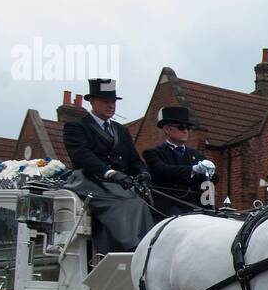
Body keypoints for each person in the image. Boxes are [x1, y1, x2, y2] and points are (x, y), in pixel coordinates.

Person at [61, 78, 154, 255]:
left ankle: (146, 245)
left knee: (143, 202)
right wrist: (110, 173)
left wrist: (143, 172)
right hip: (89, 179)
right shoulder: (76, 127)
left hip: (119, 182)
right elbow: (82, 156)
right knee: (126, 204)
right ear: (92, 101)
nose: (111, 106)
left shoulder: (121, 130)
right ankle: (130, 248)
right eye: (106, 102)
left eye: (113, 102)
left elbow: (133, 159)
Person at [142, 106, 217, 219]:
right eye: (181, 127)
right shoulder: (153, 153)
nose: (185, 131)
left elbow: (211, 180)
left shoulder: (196, 155)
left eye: (188, 128)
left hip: (194, 203)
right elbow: (161, 170)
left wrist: (210, 173)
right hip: (168, 204)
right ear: (167, 129)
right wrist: (192, 170)